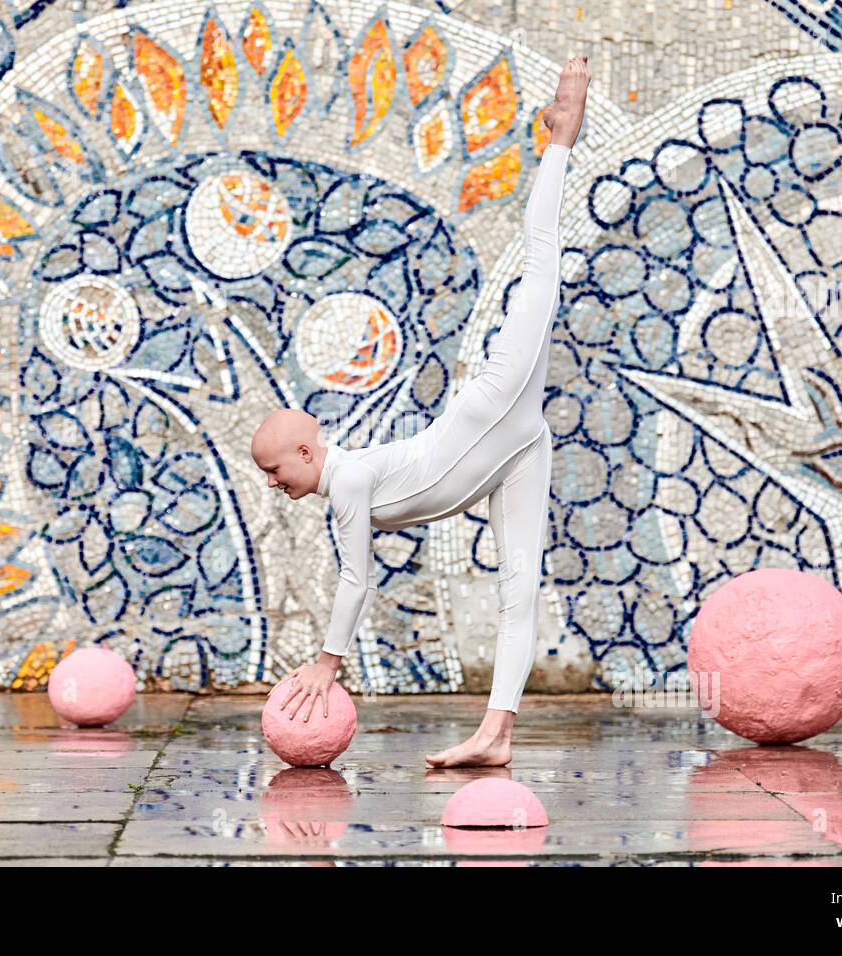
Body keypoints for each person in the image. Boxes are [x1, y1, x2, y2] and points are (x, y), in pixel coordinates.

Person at [250, 56, 591, 767]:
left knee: (541, 264)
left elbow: (355, 579)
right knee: (518, 588)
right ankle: (496, 736)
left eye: (276, 472)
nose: (274, 484)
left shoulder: (344, 482)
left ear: (306, 455)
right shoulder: (342, 481)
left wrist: (326, 664)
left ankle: (561, 138)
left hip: (497, 408)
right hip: (513, 453)